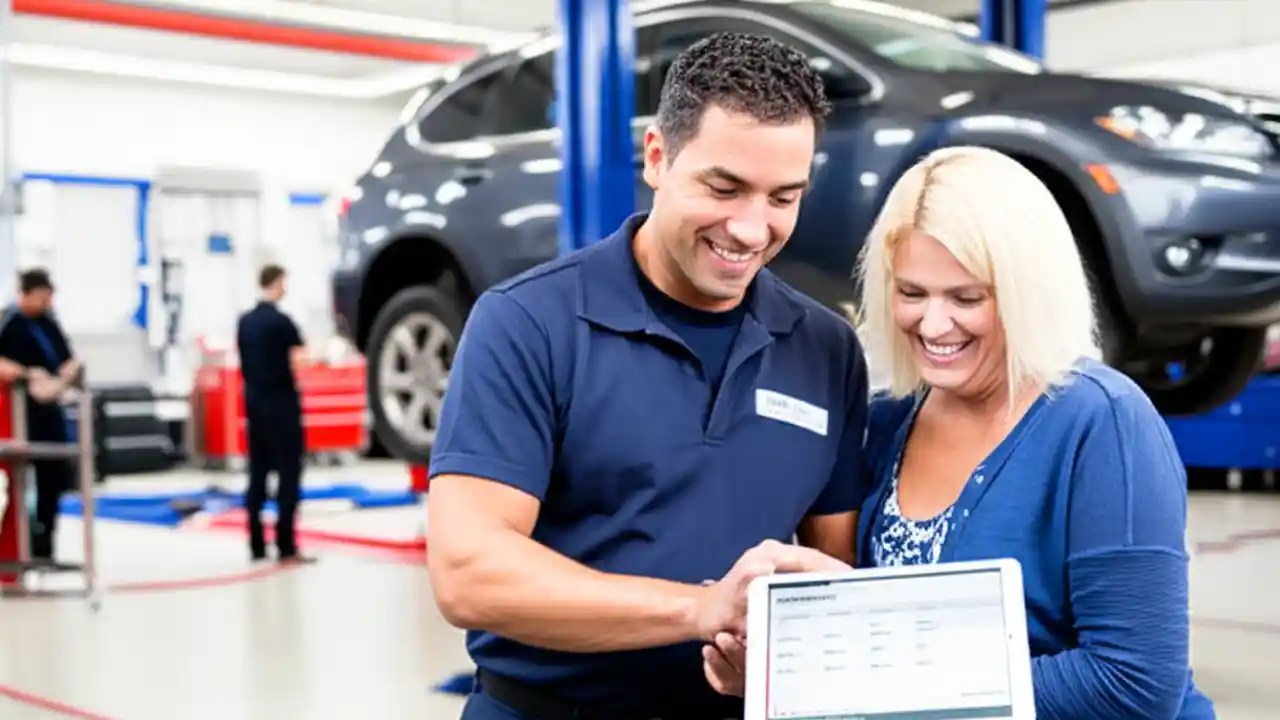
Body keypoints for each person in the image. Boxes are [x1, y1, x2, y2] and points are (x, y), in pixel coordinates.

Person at [426, 32, 870, 720]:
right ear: (657, 157)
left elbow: (833, 573)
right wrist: (699, 610)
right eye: (724, 188)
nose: (752, 229)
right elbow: (469, 574)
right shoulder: (529, 323)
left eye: (784, 197)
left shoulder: (826, 349)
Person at [702, 146, 1217, 718]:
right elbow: (886, 652)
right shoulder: (888, 423)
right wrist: (785, 671)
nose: (933, 324)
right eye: (911, 293)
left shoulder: (1103, 423)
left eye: (966, 298)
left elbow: (1134, 682)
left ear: (1027, 292)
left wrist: (885, 683)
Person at [0, 268, 81, 564]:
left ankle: (43, 542)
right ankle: (17, 545)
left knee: (53, 477)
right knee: (15, 482)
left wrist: (69, 373)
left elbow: (65, 358)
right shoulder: (9, 324)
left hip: (48, 412)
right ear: (26, 294)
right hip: (16, 414)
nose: (46, 302)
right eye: (41, 296)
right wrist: (24, 374)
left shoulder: (49, 324)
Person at [236, 264, 313, 564]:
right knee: (288, 473)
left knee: (257, 472)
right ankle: (286, 544)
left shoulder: (244, 323)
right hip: (282, 404)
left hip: (254, 404)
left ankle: (255, 543)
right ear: (278, 282)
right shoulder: (282, 323)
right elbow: (300, 359)